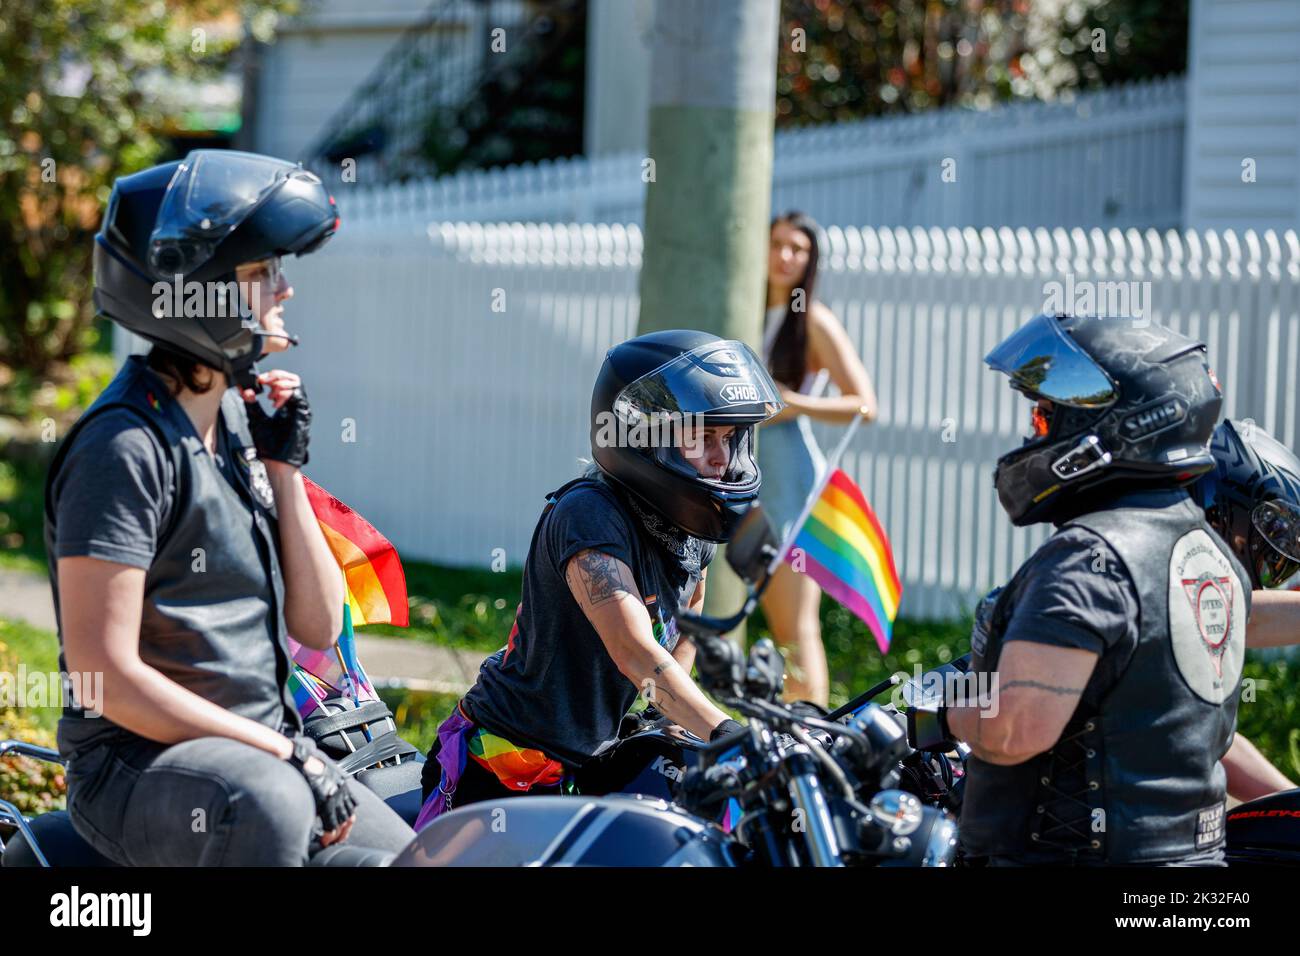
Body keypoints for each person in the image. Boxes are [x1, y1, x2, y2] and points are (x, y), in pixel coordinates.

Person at [46, 150, 413, 866]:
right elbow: (104, 673)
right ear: (194, 291)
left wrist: (283, 469)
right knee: (268, 805)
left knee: (426, 858)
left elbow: (314, 623)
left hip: (263, 746)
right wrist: (283, 752)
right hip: (140, 767)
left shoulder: (234, 431)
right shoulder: (122, 448)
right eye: (260, 273)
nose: (284, 290)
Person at [909, 313, 1247, 865]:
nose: (1032, 435)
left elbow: (1015, 728)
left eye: (1045, 419)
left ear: (1114, 428)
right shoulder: (1206, 553)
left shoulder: (1088, 560)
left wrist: (937, 716)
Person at [417, 330, 782, 826]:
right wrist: (724, 731)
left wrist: (674, 721)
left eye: (728, 438)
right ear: (642, 435)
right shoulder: (589, 513)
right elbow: (633, 647)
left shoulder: (689, 523)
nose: (721, 459)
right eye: (701, 437)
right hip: (508, 764)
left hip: (597, 758)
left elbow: (686, 627)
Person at [758, 211, 878, 706]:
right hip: (740, 473)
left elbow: (864, 405)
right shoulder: (739, 306)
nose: (785, 256)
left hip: (788, 477)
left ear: (811, 260)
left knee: (795, 626)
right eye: (777, 244)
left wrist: (792, 403)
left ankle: (811, 736)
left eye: (798, 248)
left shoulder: (813, 320)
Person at [1192, 418, 1300, 800]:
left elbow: (1209, 740)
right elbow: (1248, 617)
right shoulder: (1160, 577)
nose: (1275, 573)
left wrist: (1288, 801)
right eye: (1274, 544)